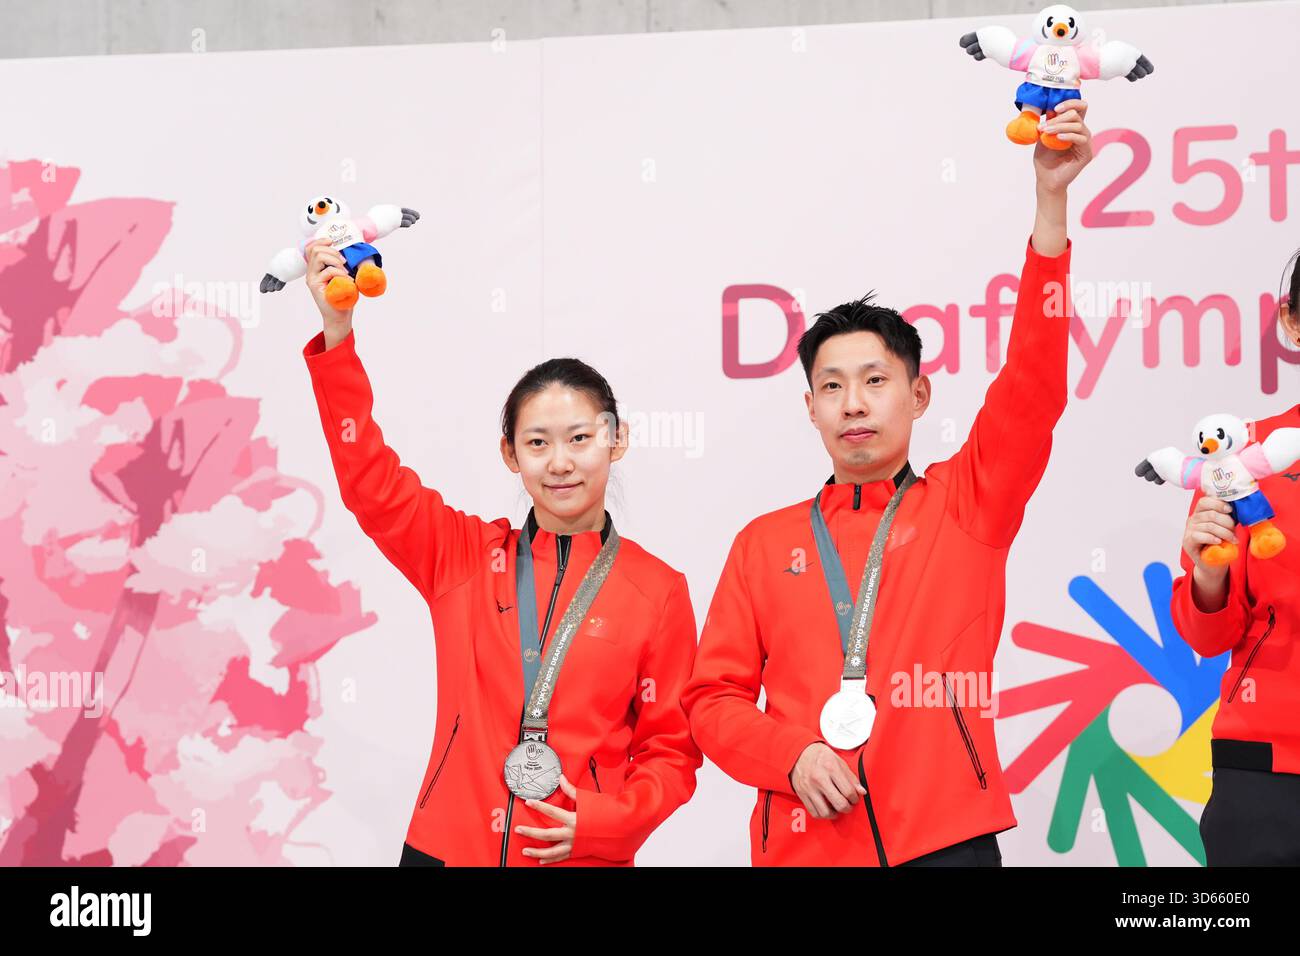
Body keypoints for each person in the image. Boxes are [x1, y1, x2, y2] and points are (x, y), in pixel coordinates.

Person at [682, 101, 1095, 866]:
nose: (855, 403)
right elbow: (711, 701)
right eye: (833, 387)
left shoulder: (968, 505)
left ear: (919, 395)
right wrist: (791, 755)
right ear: (810, 408)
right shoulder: (763, 543)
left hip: (946, 842)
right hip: (803, 845)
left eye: (875, 380)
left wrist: (1051, 206)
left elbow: (1034, 383)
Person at [300, 240, 701, 866]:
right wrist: (337, 335)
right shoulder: (461, 555)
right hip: (446, 847)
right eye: (537, 442)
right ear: (511, 455)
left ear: (616, 440)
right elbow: (369, 481)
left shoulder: (658, 590)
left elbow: (671, 753)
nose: (560, 462)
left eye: (580, 438)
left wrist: (603, 824)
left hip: (578, 856)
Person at [1171, 248, 1300, 866]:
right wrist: (1208, 573)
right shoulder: (1240, 462)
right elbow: (1207, 633)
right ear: (1292, 322)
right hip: (1266, 769)